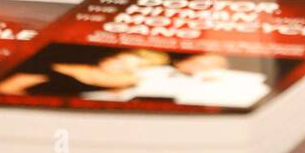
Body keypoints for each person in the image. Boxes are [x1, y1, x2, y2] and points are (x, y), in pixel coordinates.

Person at [82, 53, 271, 109]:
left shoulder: (232, 85)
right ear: (180, 63)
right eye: (197, 62)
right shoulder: (154, 71)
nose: (200, 68)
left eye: (211, 66)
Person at [0, 49, 170, 100]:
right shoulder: (50, 67)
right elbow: (5, 88)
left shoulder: (134, 82)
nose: (111, 60)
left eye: (121, 63)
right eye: (115, 57)